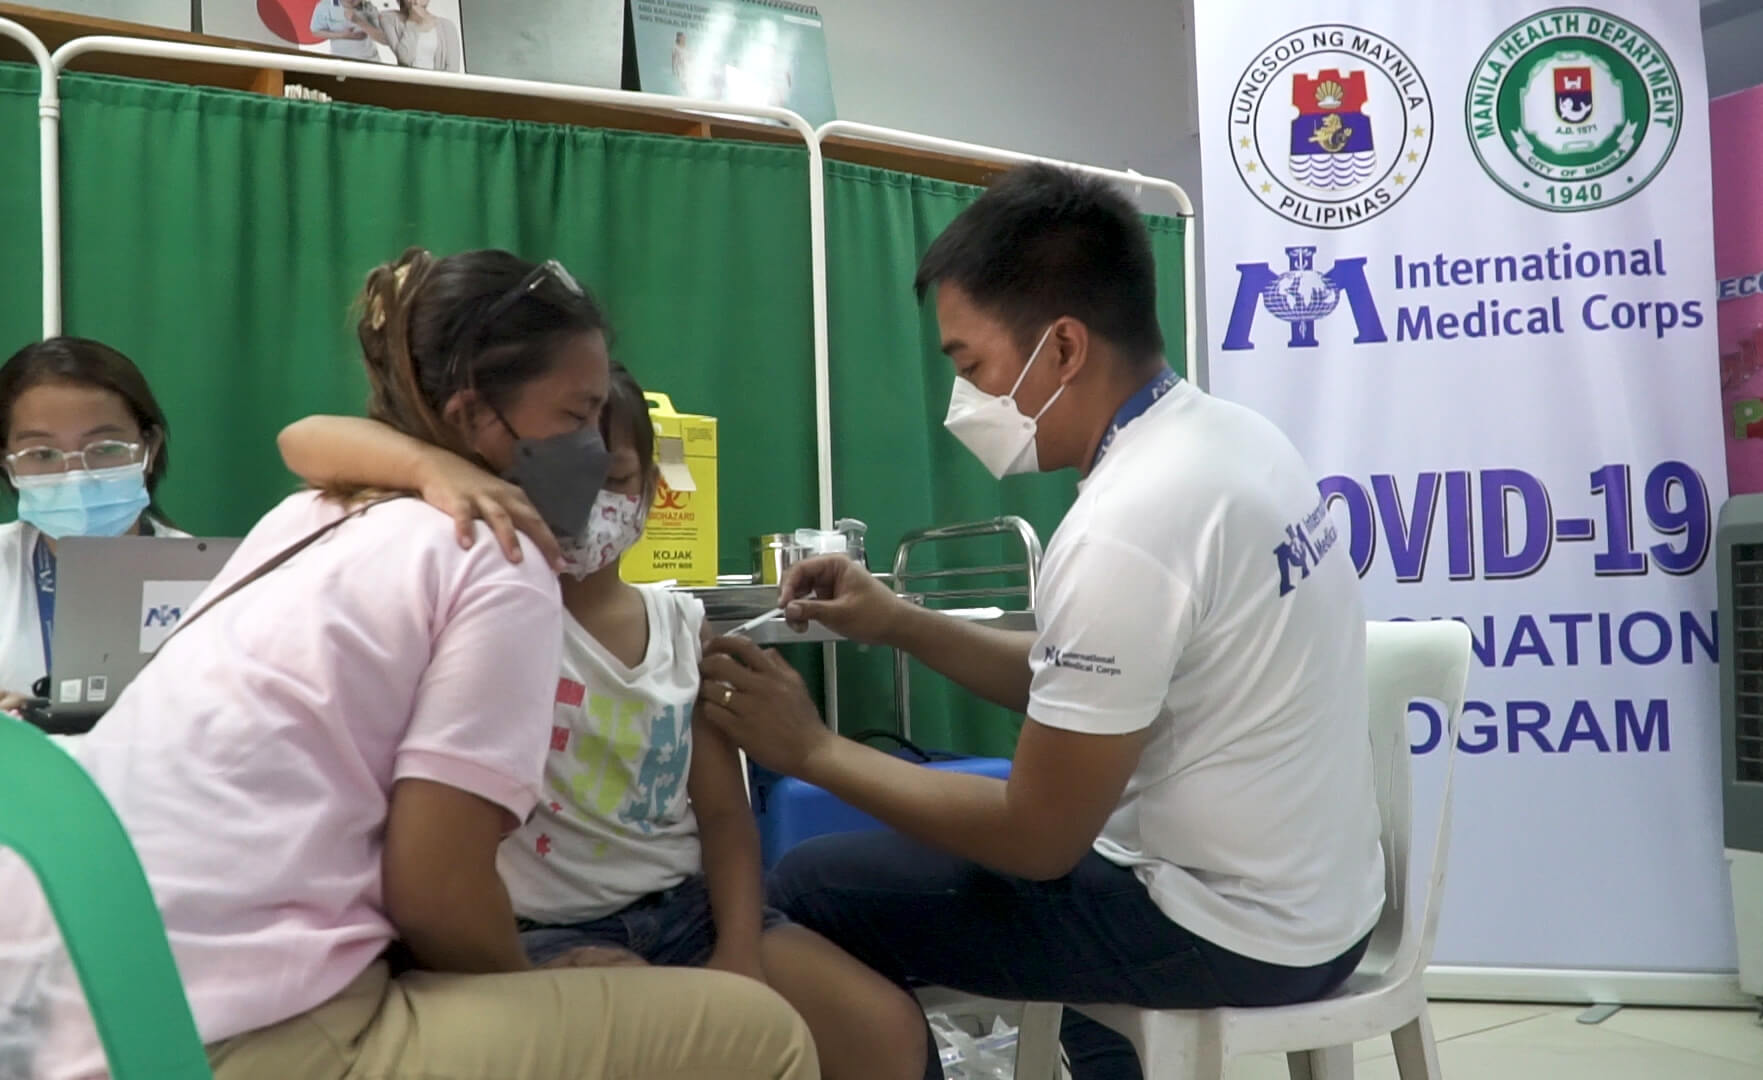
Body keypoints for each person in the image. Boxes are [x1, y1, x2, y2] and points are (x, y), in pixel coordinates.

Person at [0, 249, 817, 1080]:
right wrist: (528, 990)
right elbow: (436, 891)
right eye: (575, 417)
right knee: (763, 1034)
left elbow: (310, 443)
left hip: (54, 980)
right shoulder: (498, 557)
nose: (589, 448)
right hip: (199, 1029)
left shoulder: (311, 514)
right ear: (470, 417)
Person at [695, 164, 1384, 1080]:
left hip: (1228, 929)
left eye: (970, 365)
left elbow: (1036, 836)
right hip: (1328, 904)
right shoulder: (1233, 439)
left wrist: (811, 750)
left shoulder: (1129, 523)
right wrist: (897, 622)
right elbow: (1083, 685)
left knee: (809, 890)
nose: (964, 402)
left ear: (1062, 348)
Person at [278, 363, 927, 1080]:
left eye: (615, 478)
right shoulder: (484, 616)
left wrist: (739, 952)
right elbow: (306, 439)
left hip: (686, 914)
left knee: (882, 1029)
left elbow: (722, 816)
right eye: (560, 477)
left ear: (650, 491)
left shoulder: (683, 628)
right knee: (678, 1044)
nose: (590, 503)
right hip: (535, 936)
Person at [0, 337, 188, 714]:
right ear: (8, 464)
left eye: (104, 448)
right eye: (42, 454)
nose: (75, 475)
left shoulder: (212, 585)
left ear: (148, 449)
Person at [366, 0, 464, 72]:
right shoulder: (389, 18)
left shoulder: (447, 26)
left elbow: (453, 70)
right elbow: (405, 59)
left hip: (438, 92)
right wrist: (412, 21)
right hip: (408, 89)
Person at [308, 0, 381, 62]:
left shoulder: (368, 6)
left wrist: (360, 22)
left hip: (371, 60)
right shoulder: (324, 6)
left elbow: (382, 38)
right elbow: (315, 31)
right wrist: (342, 35)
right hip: (341, 61)